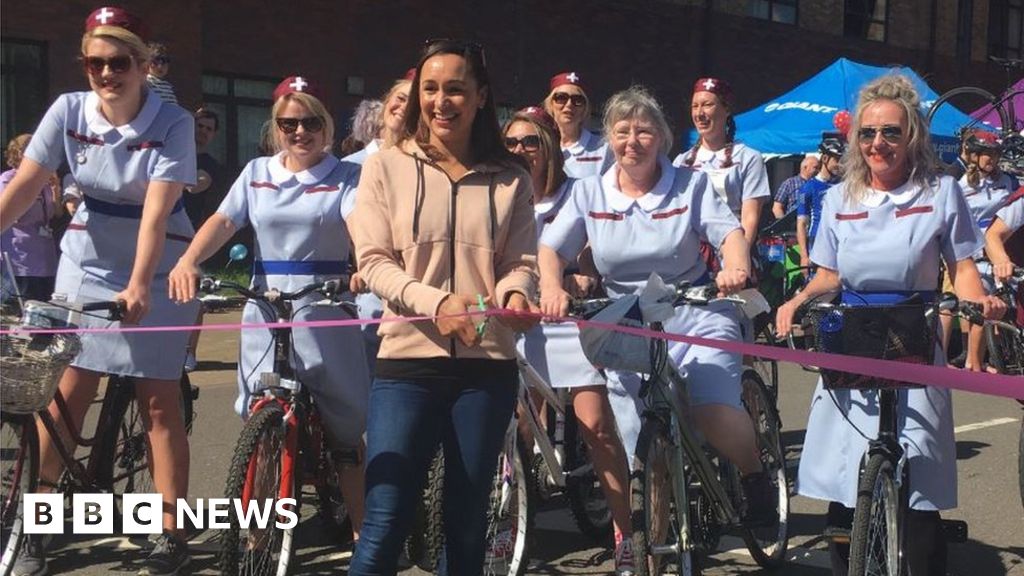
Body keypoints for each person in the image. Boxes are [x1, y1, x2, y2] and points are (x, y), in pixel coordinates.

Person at [774, 74, 1006, 576]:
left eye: (891, 132)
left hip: (915, 330)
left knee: (918, 466)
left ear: (912, 137)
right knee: (844, 468)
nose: (878, 143)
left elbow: (962, 266)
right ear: (856, 139)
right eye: (867, 133)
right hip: (853, 330)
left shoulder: (941, 191)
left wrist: (978, 301)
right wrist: (797, 299)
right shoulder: (838, 198)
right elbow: (829, 275)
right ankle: (851, 560)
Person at [0, 7, 198, 575]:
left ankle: (170, 532)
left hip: (154, 265)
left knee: (158, 402)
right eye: (95, 63)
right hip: (85, 259)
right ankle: (33, 527)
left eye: (118, 63)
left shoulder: (173, 122)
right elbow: (28, 185)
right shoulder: (67, 109)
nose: (106, 74)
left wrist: (140, 285)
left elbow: (157, 213)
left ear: (140, 64)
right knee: (63, 397)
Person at [538, 87, 779, 541]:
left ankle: (753, 473)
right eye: (623, 131)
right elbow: (551, 248)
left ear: (662, 140)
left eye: (644, 130)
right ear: (609, 138)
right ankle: (656, 543)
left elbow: (729, 233)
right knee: (635, 443)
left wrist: (736, 266)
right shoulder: (590, 191)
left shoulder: (691, 184)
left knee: (710, 410)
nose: (633, 140)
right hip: (626, 321)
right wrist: (552, 285)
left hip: (695, 309)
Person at [347, 39, 538, 576]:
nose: (440, 100)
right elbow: (376, 261)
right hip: (406, 364)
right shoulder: (385, 167)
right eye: (430, 89)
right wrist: (437, 305)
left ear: (480, 97)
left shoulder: (511, 178)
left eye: (455, 88)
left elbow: (520, 261)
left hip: (486, 369)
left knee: (467, 520)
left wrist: (516, 293)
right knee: (385, 517)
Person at [168, 75, 371, 539]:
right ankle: (257, 532)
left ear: (325, 125)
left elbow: (359, 222)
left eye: (310, 122)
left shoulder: (345, 175)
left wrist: (363, 262)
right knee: (260, 409)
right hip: (265, 305)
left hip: (323, 305)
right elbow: (223, 221)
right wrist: (187, 260)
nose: (300, 132)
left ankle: (364, 531)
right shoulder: (257, 172)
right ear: (275, 127)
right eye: (288, 123)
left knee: (343, 423)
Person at [503, 105, 634, 574]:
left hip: (566, 319)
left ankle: (625, 533)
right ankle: (510, 524)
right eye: (512, 143)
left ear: (550, 148)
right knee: (509, 425)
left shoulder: (581, 192)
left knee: (595, 426)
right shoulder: (500, 193)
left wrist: (584, 276)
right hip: (515, 317)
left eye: (530, 142)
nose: (520, 151)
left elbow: (597, 248)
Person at [342, 73, 413, 373]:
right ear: (386, 103)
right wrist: (359, 263)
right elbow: (346, 219)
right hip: (369, 289)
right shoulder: (350, 166)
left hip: (415, 288)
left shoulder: (426, 163)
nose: (404, 107)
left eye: (414, 103)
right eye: (400, 98)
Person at [675, 78, 771, 250]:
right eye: (695, 106)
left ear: (726, 109)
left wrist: (738, 260)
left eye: (707, 105)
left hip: (729, 250)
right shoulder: (681, 161)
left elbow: (750, 219)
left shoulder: (748, 158)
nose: (699, 113)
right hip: (688, 255)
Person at [953, 129, 1016, 370]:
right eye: (986, 154)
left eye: (994, 154)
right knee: (982, 307)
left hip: (1002, 251)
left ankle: (1002, 357)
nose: (991, 159)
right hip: (975, 252)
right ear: (974, 156)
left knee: (1007, 306)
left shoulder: (1008, 181)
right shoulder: (960, 185)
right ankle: (974, 362)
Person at [179, 107, 223, 373]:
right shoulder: (174, 152)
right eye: (199, 126)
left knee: (190, 296)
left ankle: (189, 352)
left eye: (208, 129)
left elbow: (195, 184)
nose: (202, 133)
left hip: (189, 238)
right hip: (158, 233)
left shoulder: (209, 165)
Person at [0, 133, 59, 301]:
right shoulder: (8, 179)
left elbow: (55, 213)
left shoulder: (44, 181)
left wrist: (55, 189)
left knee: (45, 311)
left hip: (45, 256)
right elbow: (14, 214)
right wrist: (32, 189)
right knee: (22, 312)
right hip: (21, 257)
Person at [543, 71, 612, 178]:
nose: (569, 104)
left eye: (578, 100)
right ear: (551, 104)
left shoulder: (604, 148)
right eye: (561, 98)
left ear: (585, 108)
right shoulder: (542, 148)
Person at [795, 132, 845, 273]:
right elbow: (802, 223)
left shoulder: (843, 185)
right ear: (825, 158)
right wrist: (804, 256)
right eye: (837, 160)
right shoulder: (808, 187)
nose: (840, 165)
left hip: (840, 243)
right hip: (817, 243)